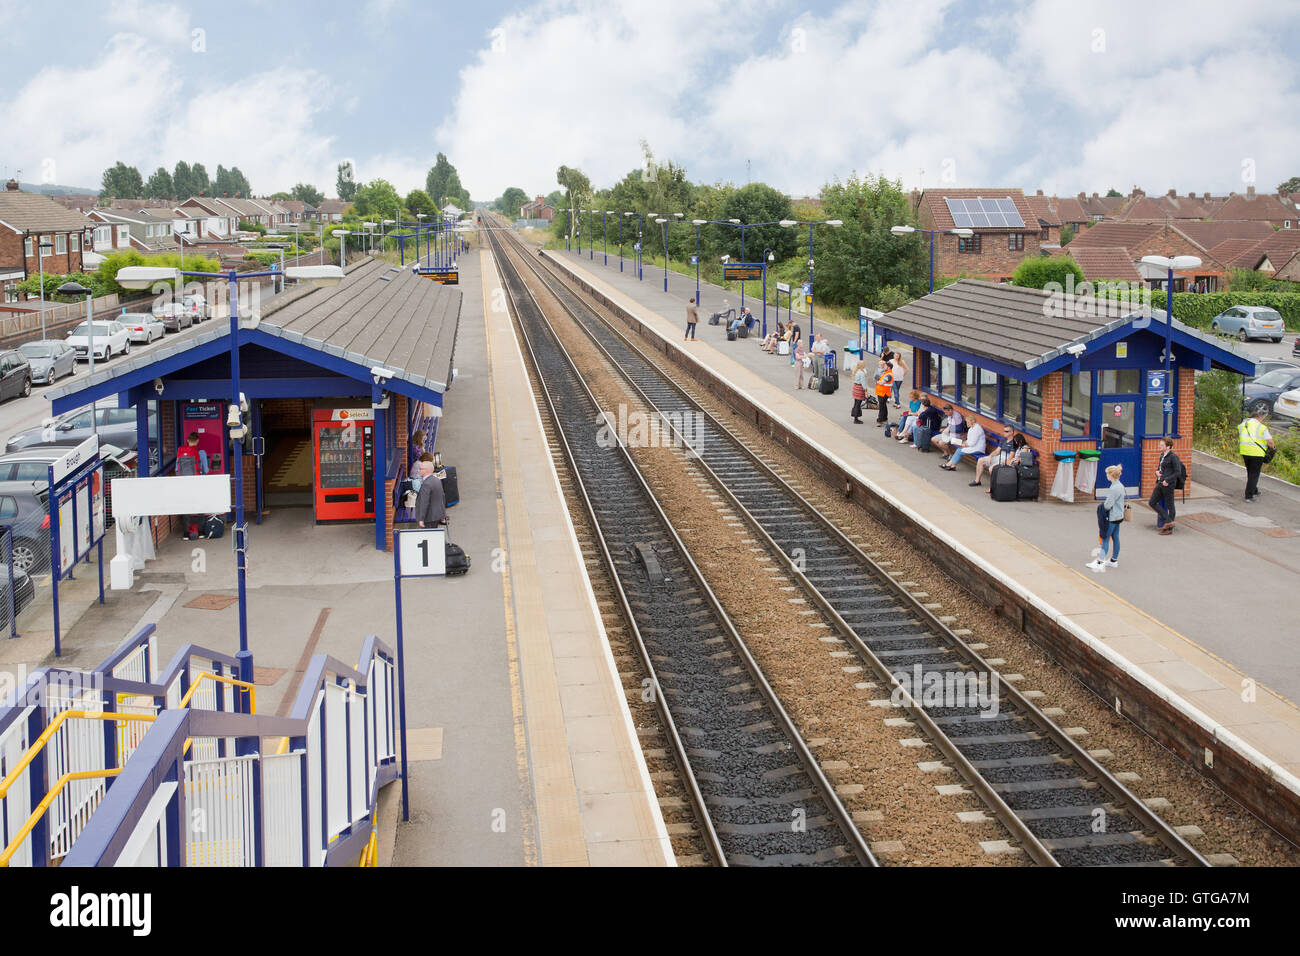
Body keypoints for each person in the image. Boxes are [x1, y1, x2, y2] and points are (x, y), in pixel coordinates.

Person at [1087, 464, 1126, 572]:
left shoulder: (1114, 488)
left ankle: (1100, 562)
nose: (1106, 476)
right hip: (1119, 516)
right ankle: (1113, 560)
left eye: (1107, 474)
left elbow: (1108, 505)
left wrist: (1101, 507)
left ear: (1111, 475)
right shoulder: (1120, 485)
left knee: (1105, 538)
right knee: (1116, 537)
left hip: (1112, 517)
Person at [1238, 407, 1274, 502]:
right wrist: (1273, 448)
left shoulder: (1243, 425)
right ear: (1259, 418)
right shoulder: (1261, 427)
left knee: (1250, 472)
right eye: (1262, 419)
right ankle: (1249, 496)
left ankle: (1254, 489)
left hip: (1245, 451)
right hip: (1257, 453)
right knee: (1254, 474)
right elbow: (1270, 441)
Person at [1149, 436, 1182, 534]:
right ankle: (1168, 521)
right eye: (1160, 444)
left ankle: (1169, 529)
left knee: (1170, 505)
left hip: (1168, 485)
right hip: (1160, 483)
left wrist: (1167, 480)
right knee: (1152, 502)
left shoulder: (1173, 457)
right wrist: (1157, 473)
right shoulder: (1162, 456)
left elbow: (1177, 472)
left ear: (1168, 446)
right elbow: (1160, 468)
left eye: (1162, 445)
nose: (1160, 446)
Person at [414, 457, 447, 528]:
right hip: (436, 516)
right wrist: (443, 516)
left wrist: (421, 519)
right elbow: (442, 497)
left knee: (428, 537)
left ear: (426, 470)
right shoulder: (437, 480)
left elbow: (424, 502)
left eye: (421, 469)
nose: (419, 470)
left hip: (428, 518)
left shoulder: (426, 484)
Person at [874, 358, 894, 426]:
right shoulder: (886, 373)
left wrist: (877, 381)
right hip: (882, 392)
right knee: (883, 406)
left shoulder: (889, 375)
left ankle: (880, 420)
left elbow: (881, 382)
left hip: (883, 393)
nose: (883, 367)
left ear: (888, 367)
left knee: (881, 407)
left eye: (885, 366)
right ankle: (885, 419)